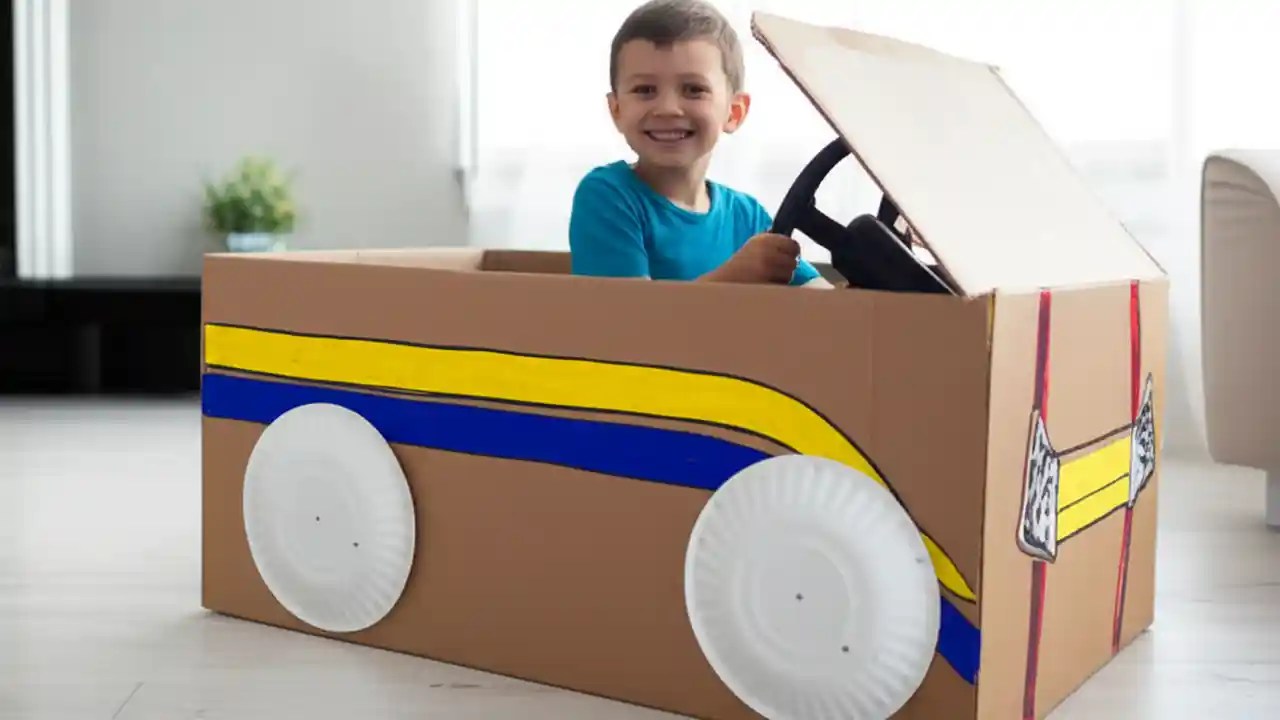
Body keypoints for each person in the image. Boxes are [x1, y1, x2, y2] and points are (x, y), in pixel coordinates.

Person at [568, 0, 833, 287]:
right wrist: (734, 277)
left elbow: (817, 294)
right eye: (645, 90)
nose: (668, 108)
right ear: (616, 110)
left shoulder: (746, 216)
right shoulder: (608, 197)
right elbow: (631, 322)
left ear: (734, 112)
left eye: (694, 90)